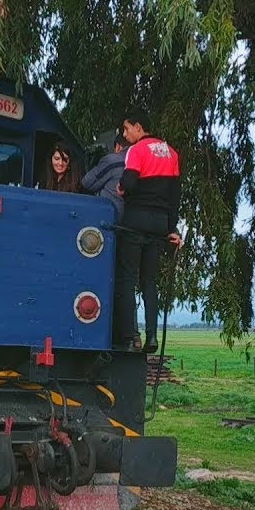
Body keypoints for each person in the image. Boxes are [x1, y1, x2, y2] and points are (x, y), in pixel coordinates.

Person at [113, 108, 182, 353]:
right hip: (159, 224)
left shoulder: (137, 150)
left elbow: (129, 181)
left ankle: (131, 336)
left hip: (136, 220)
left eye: (127, 128)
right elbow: (175, 196)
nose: (125, 133)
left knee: (127, 279)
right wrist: (172, 228)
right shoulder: (171, 153)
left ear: (139, 127)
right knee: (149, 281)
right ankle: (152, 335)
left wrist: (121, 188)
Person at [81, 131, 128, 218]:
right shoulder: (144, 160)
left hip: (111, 218)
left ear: (118, 146)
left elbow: (86, 182)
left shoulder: (112, 161)